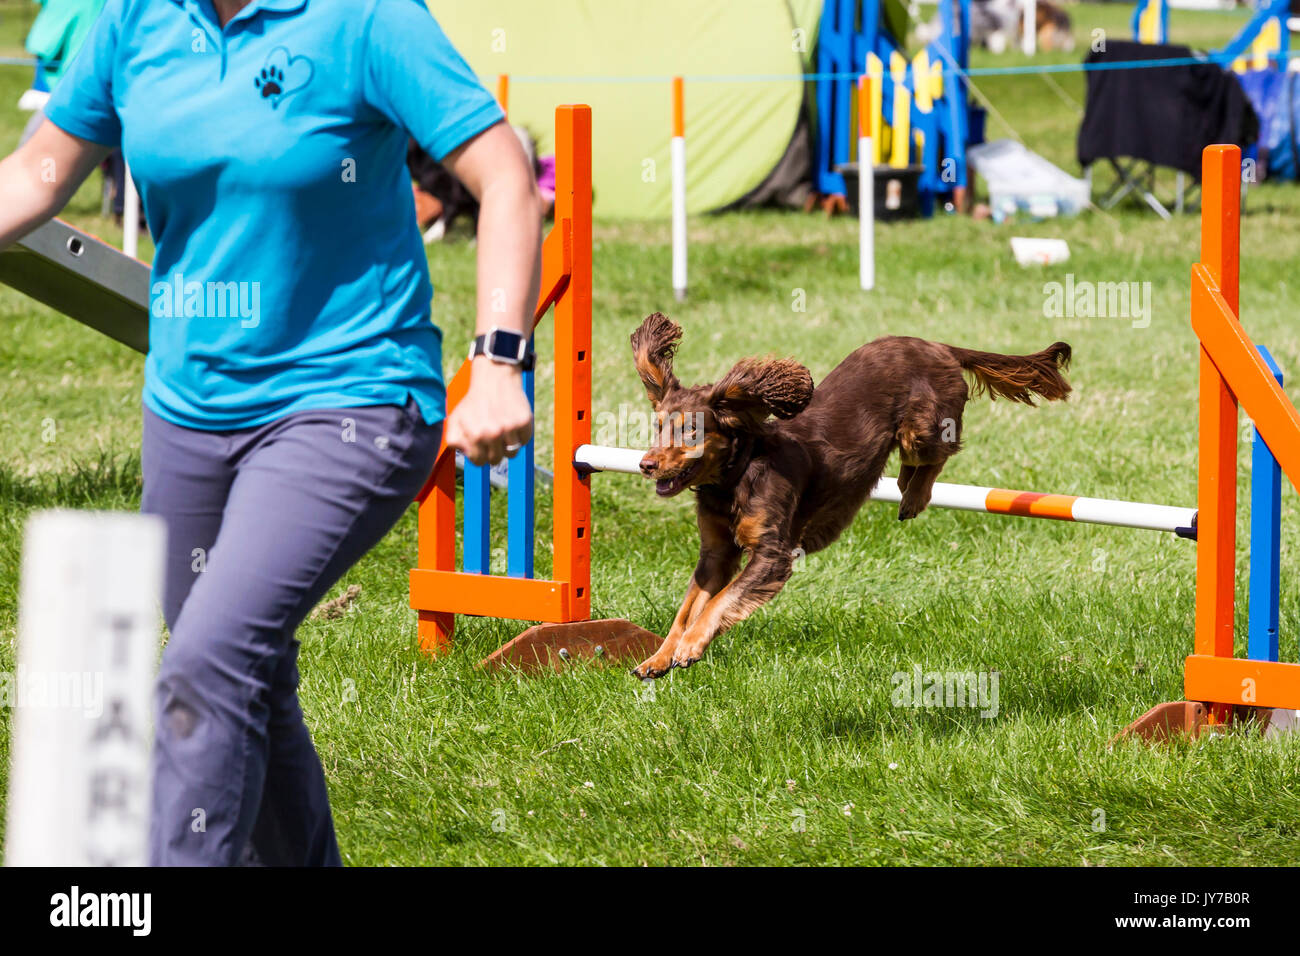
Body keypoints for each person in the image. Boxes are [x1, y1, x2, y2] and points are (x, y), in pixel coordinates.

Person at [0, 0, 540, 865]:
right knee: (242, 673)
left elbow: (505, 172)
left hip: (352, 399)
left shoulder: (365, 19)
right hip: (188, 409)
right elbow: (38, 172)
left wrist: (501, 360)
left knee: (205, 672)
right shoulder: (134, 19)